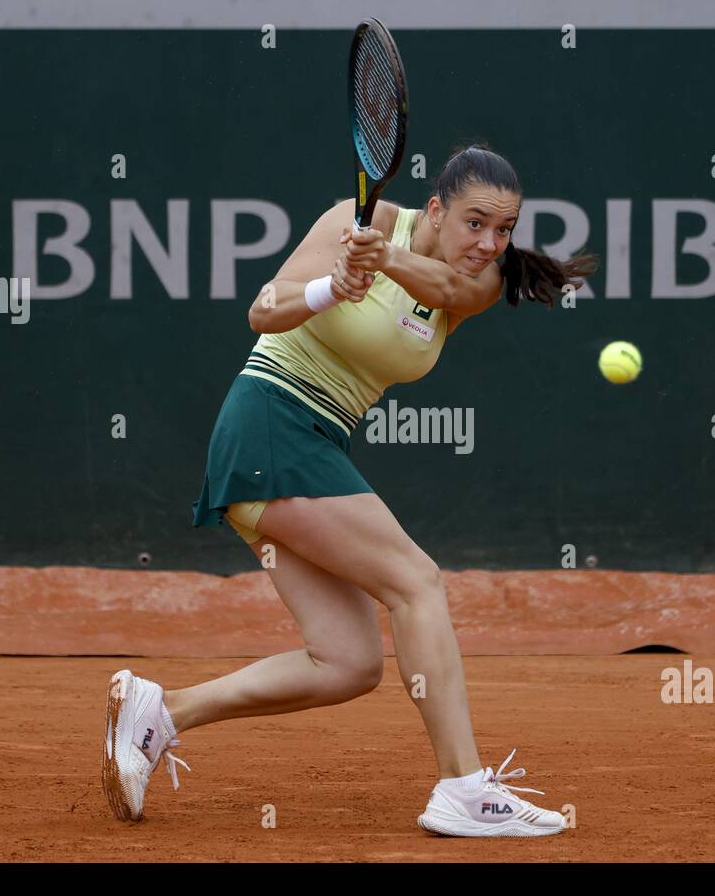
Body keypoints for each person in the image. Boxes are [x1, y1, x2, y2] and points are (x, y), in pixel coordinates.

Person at [103, 144, 599, 836]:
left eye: (505, 229)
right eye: (475, 223)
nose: (490, 243)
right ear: (435, 209)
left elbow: (449, 293)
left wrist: (381, 260)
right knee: (416, 583)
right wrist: (330, 287)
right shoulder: (353, 218)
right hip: (271, 421)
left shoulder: (474, 283)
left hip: (314, 442)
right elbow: (262, 312)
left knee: (348, 662)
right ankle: (462, 786)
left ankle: (162, 712)